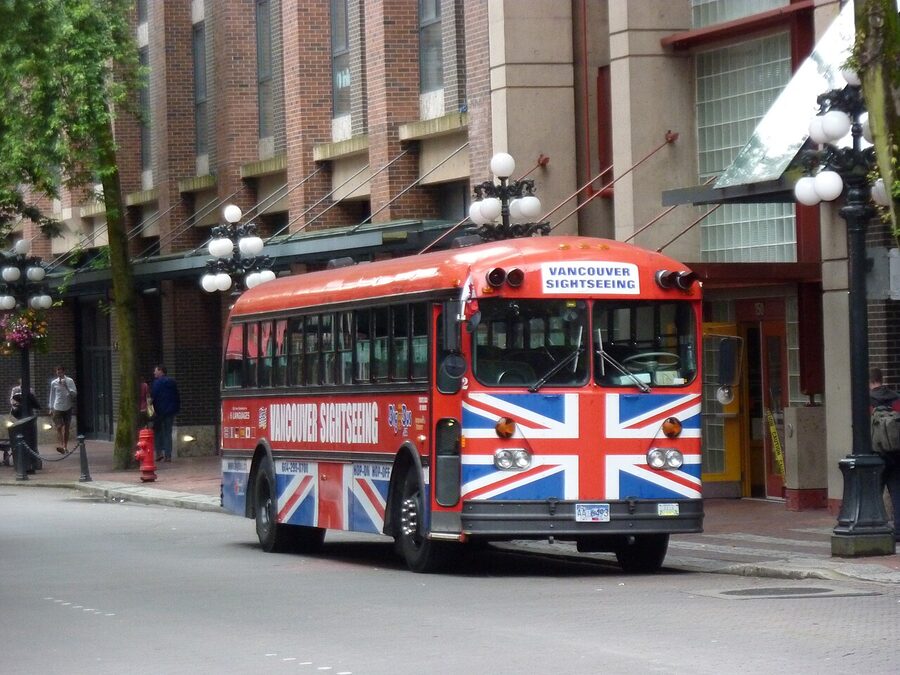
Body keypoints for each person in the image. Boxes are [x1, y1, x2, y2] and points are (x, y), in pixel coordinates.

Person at [869, 367, 900, 542]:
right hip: (896, 453)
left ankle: (875, 527)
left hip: (876, 453)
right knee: (897, 491)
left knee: (874, 492)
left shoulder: (866, 400)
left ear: (870, 381)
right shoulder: (896, 398)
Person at [151, 365, 180, 462]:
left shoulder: (156, 383)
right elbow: (176, 396)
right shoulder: (172, 382)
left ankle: (159, 453)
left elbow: (154, 397)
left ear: (161, 371)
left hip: (159, 412)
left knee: (158, 432)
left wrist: (153, 410)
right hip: (170, 411)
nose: (154, 373)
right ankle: (168, 455)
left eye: (155, 371)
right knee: (168, 433)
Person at [48, 365, 77, 453]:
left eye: (60, 372)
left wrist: (66, 387)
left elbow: (74, 394)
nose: (59, 373)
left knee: (66, 427)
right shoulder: (54, 382)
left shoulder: (70, 381)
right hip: (57, 406)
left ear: (64, 372)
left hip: (67, 406)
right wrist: (50, 407)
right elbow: (52, 395)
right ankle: (61, 445)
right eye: (57, 372)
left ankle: (65, 446)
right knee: (59, 426)